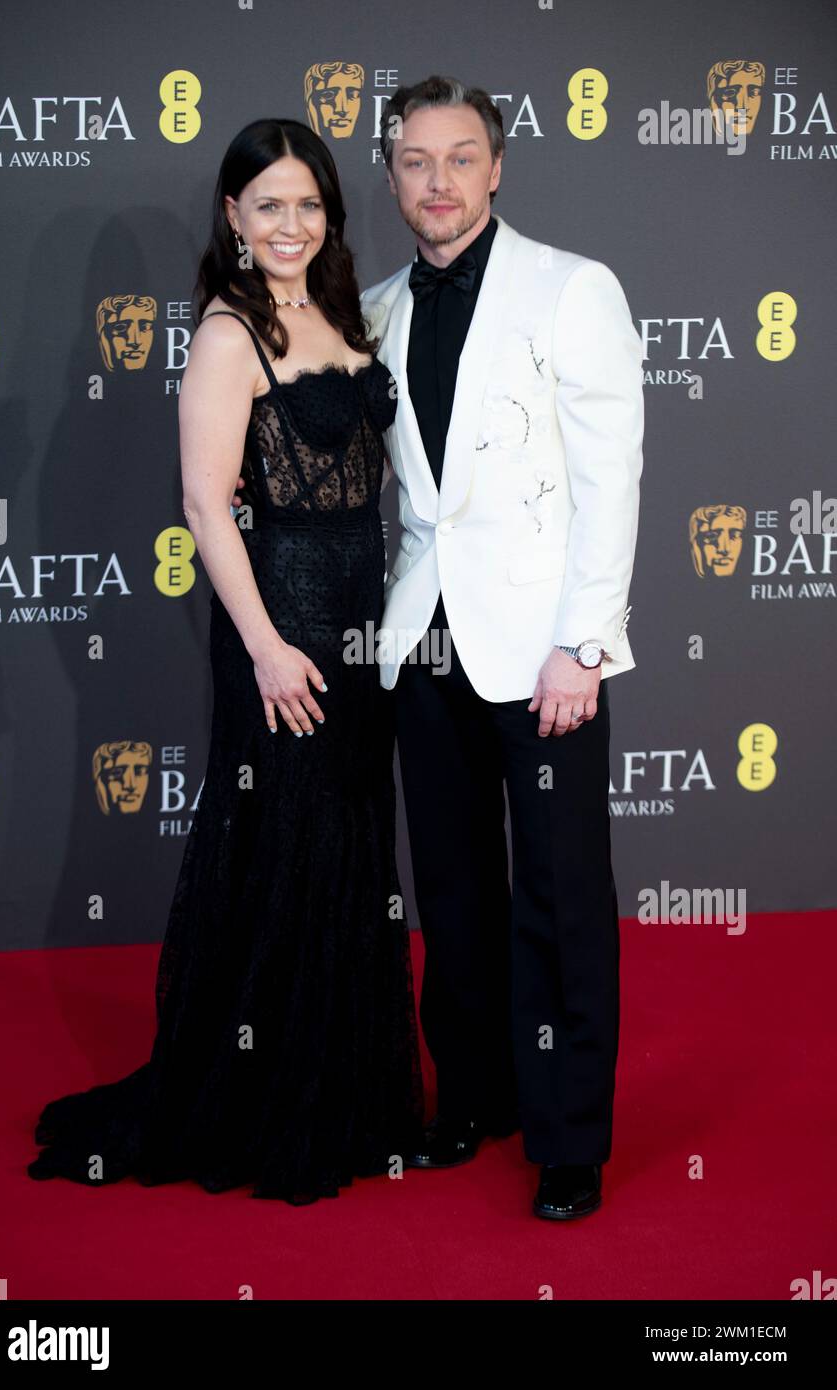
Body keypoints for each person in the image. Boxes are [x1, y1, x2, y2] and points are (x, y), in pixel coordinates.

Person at [27, 118, 424, 1206]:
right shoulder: (224, 331)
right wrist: (264, 646)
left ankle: (343, 1086)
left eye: (307, 203)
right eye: (268, 206)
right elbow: (206, 500)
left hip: (358, 614)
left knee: (344, 840)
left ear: (328, 213)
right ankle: (265, 1095)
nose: (290, 224)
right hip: (281, 617)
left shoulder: (345, 311)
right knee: (282, 839)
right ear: (233, 219)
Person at [360, 75, 644, 1219]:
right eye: (415, 161)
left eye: (460, 157)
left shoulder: (572, 288)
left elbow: (609, 481)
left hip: (543, 652)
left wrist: (585, 642)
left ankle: (569, 1136)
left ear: (498, 165)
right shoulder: (373, 305)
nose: (438, 182)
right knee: (456, 891)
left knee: (564, 893)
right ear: (391, 176)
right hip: (425, 639)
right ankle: (473, 1093)